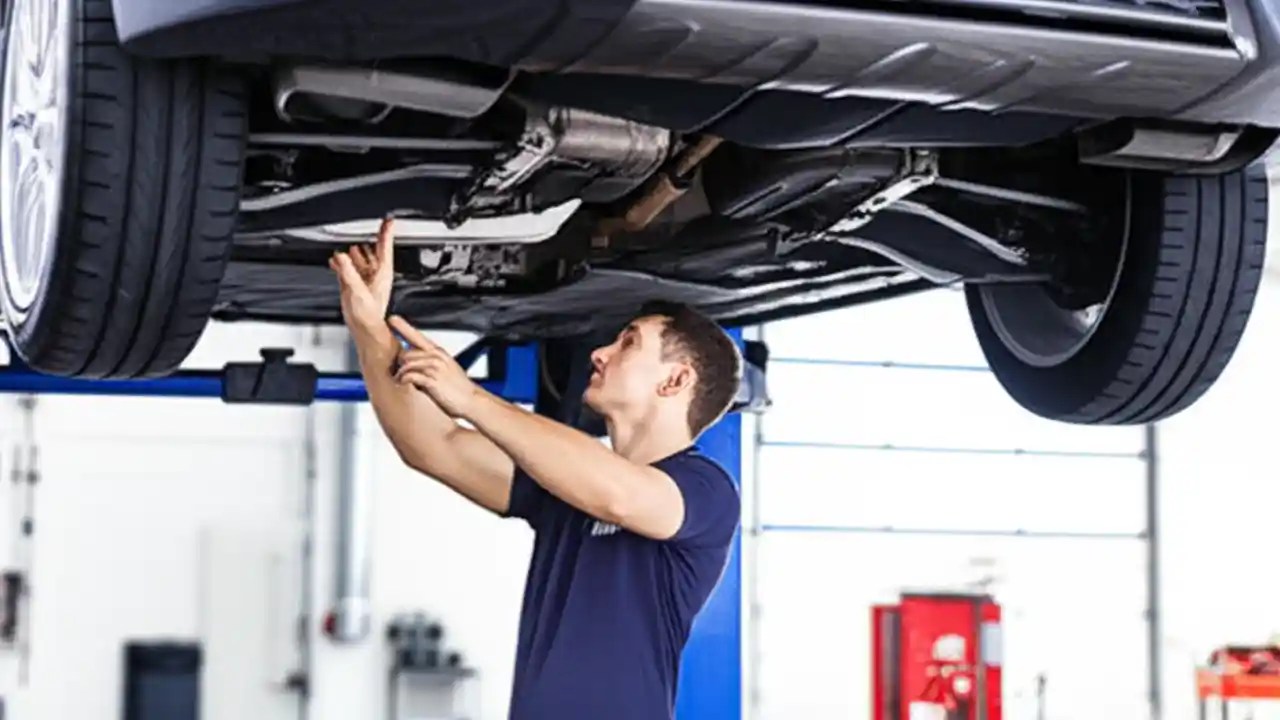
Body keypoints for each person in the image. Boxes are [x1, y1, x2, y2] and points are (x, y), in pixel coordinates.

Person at [328, 218, 744, 720]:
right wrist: (371, 329)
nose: (600, 351)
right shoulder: (568, 484)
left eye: (628, 343)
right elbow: (433, 444)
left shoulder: (707, 490)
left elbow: (620, 497)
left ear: (675, 380)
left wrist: (471, 398)